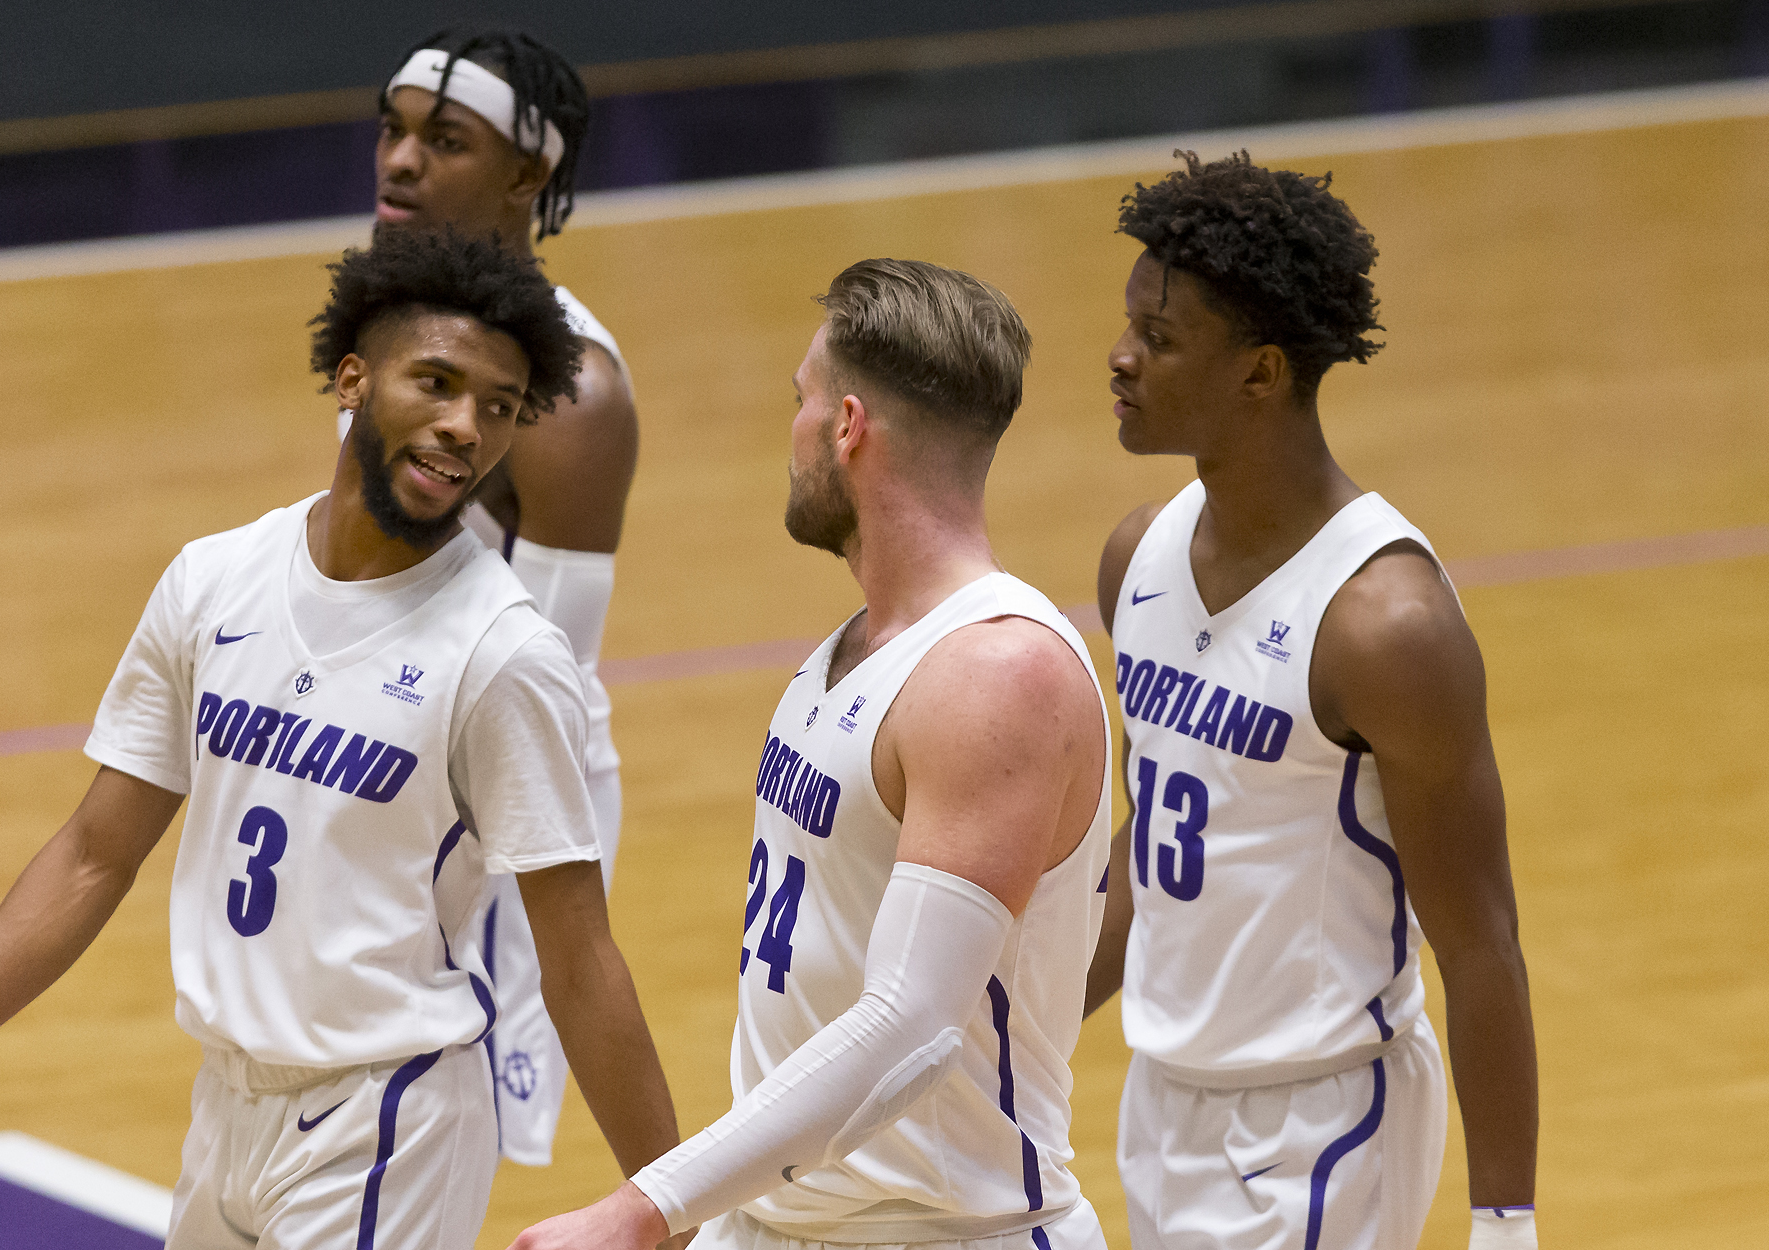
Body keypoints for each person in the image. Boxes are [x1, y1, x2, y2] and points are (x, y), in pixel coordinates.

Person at [0, 227, 682, 1250]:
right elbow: (95, 851)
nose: (465, 426)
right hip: (226, 1103)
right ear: (354, 378)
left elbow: (579, 957)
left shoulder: (501, 654)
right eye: (438, 382)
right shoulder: (213, 579)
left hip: (388, 1116)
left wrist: (660, 1204)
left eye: (497, 407)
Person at [507, 258, 1117, 1250]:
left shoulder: (998, 673)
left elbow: (911, 1025)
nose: (785, 433)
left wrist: (641, 1206)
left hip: (950, 1232)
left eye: (797, 401)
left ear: (844, 425)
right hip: (780, 1221)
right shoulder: (848, 651)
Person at [1082, 152, 1540, 1249]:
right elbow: (1148, 838)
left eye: (1159, 334)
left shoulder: (1384, 625)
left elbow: (1479, 941)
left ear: (1260, 372)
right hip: (1161, 1097)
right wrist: (1009, 1027)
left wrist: (1505, 1222)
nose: (1120, 355)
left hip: (1323, 1117)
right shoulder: (1133, 557)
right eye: (1128, 322)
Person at [361, 26, 640, 1165]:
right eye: (393, 127)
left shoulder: (569, 393)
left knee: (420, 1132)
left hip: (495, 804)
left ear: (527, 176)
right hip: (384, 751)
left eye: (445, 139)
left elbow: (543, 675)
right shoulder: (397, 322)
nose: (400, 160)